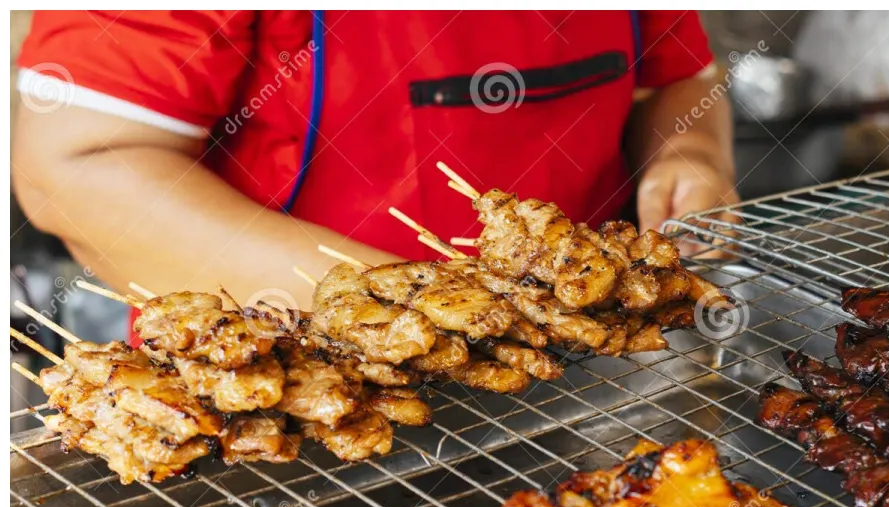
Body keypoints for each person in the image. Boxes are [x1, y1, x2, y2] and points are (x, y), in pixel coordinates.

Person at [13, 11, 738, 310]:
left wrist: (692, 155)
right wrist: (416, 312)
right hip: (294, 405)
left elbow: (678, 77)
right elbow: (75, 166)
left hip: (585, 384)